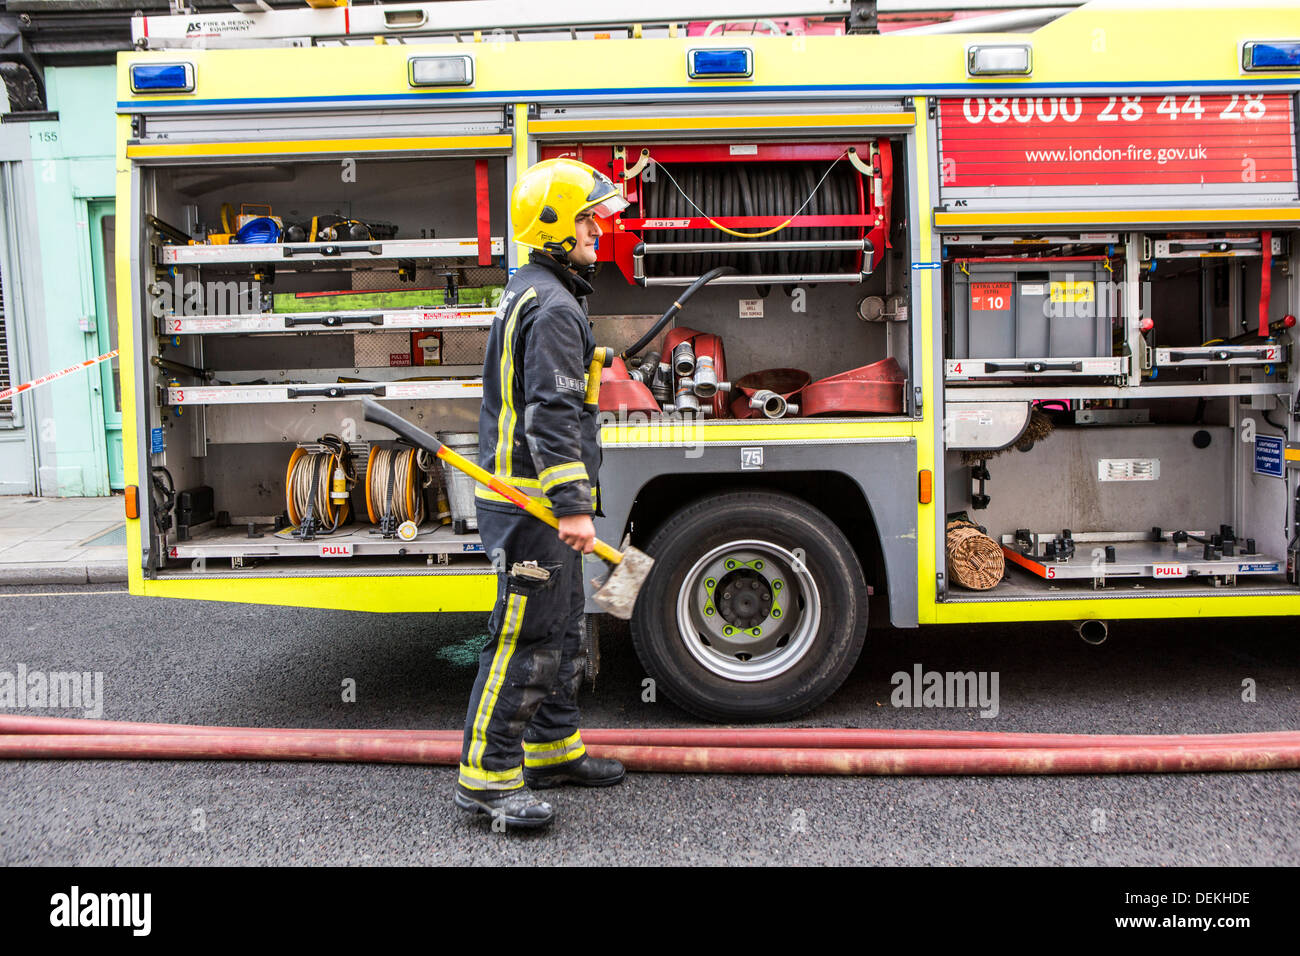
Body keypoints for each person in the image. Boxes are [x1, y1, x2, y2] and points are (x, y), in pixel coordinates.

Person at [453, 158, 629, 829]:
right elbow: (548, 415)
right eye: (587, 219)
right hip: (533, 509)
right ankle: (488, 779)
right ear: (554, 222)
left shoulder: (533, 291)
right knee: (524, 639)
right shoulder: (553, 306)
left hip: (530, 502)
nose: (596, 230)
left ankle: (552, 748)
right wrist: (574, 507)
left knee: (557, 631)